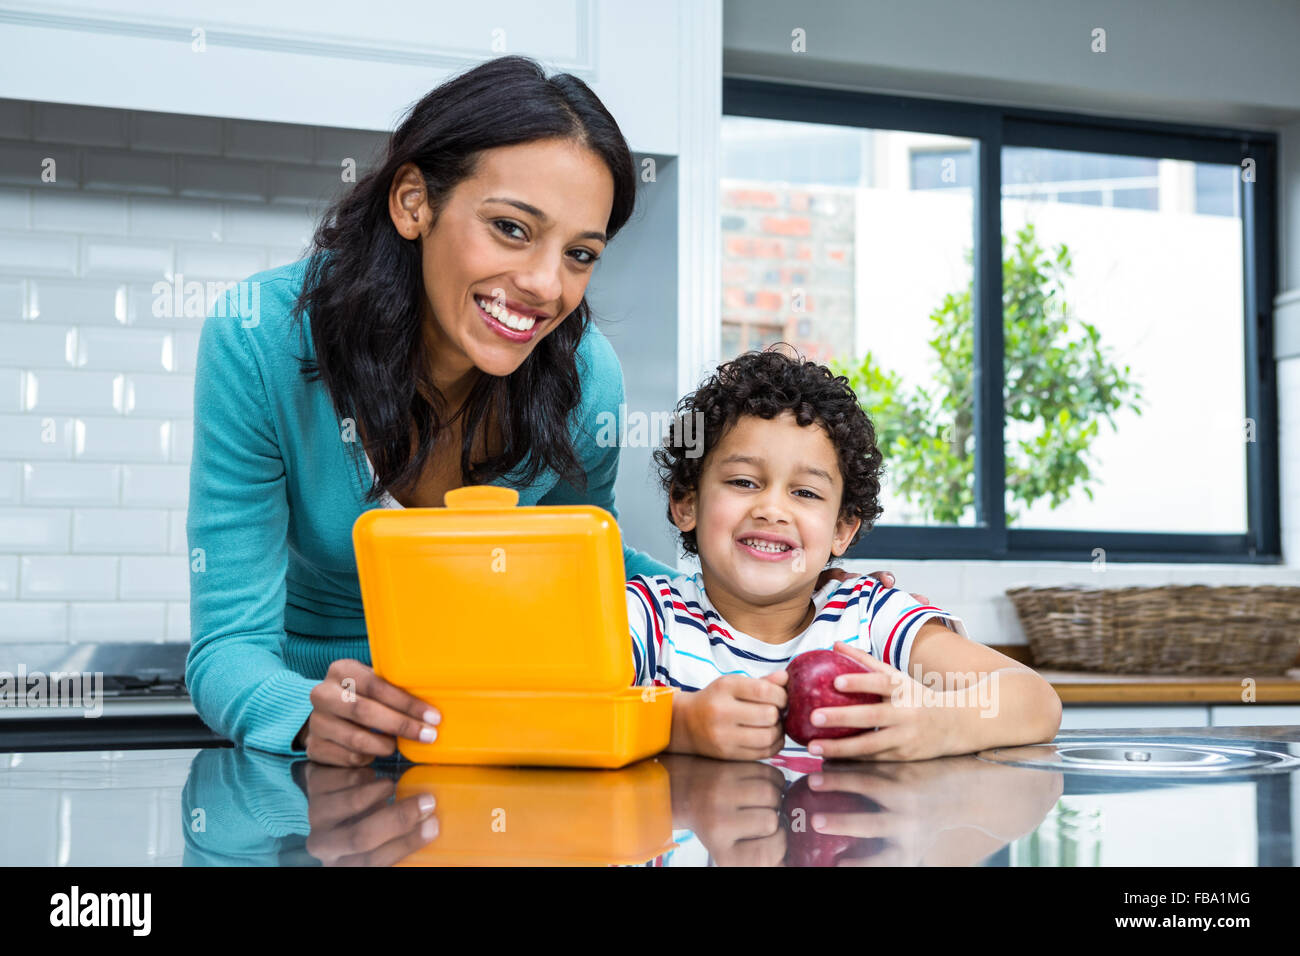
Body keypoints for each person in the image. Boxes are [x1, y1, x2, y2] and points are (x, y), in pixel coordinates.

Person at [185, 55, 906, 767]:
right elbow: (228, 649)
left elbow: (591, 572)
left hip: (516, 725)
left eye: (580, 253)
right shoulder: (261, 341)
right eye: (511, 228)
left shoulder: (584, 377)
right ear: (414, 202)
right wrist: (305, 718)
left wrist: (768, 607)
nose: (543, 286)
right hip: (328, 737)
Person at [626, 348, 1064, 762]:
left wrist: (941, 723)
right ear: (686, 503)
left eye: (805, 492)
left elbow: (1035, 700)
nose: (772, 510)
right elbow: (562, 703)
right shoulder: (648, 615)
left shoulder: (869, 616)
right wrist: (679, 723)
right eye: (743, 482)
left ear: (841, 529)